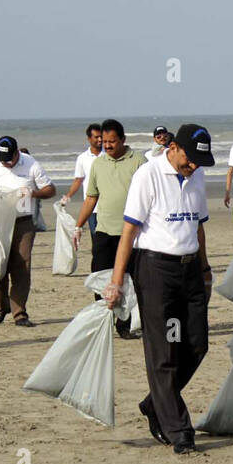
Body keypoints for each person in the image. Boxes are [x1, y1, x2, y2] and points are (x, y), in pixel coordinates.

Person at [104, 124, 216, 455]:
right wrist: (116, 281)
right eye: (190, 159)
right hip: (155, 271)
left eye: (199, 161)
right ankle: (179, 429)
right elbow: (129, 231)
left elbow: (198, 227)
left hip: (190, 269)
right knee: (165, 349)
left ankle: (156, 403)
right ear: (175, 147)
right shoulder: (148, 175)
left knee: (196, 344)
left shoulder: (196, 177)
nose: (194, 166)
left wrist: (206, 268)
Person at [74, 118, 145, 337]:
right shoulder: (98, 164)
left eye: (112, 141)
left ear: (123, 139)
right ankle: (103, 321)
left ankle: (125, 326)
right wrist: (78, 226)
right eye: (104, 141)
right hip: (104, 230)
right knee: (100, 277)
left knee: (130, 280)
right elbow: (91, 198)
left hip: (131, 232)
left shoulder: (139, 162)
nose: (107, 145)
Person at [0, 136, 55, 327]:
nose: (6, 163)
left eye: (9, 159)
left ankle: (19, 312)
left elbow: (50, 189)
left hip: (23, 221)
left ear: (17, 152)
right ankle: (1, 307)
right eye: (2, 159)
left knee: (21, 264)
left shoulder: (31, 164)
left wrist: (33, 193)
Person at [61, 123, 103, 234]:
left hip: (109, 205)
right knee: (96, 238)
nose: (100, 139)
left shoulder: (109, 154)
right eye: (96, 137)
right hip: (91, 206)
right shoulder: (83, 158)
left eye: (101, 136)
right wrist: (68, 196)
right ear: (89, 138)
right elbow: (78, 180)